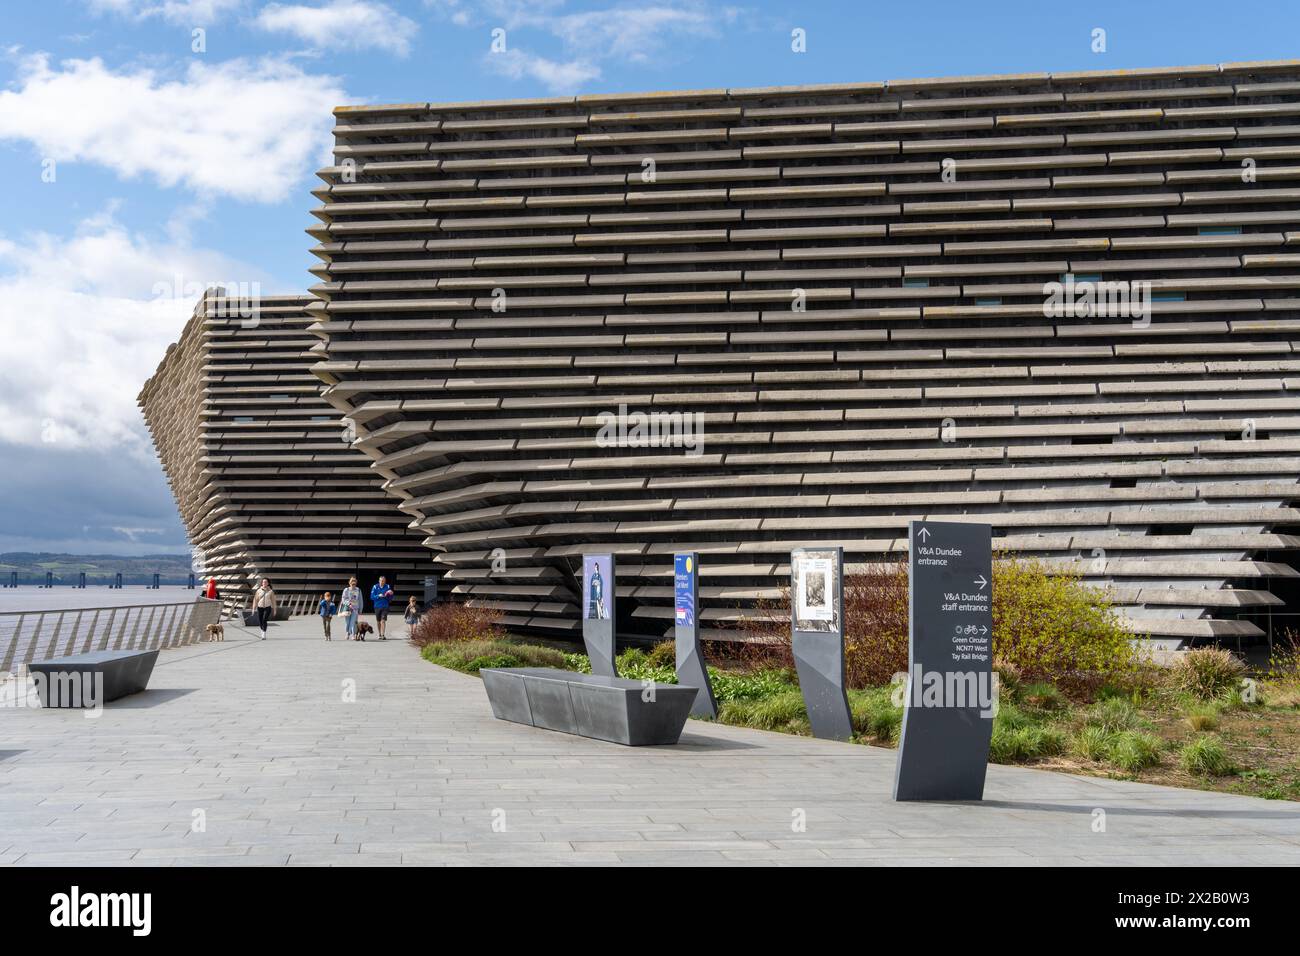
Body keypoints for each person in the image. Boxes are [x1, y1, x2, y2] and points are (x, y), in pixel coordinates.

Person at [370, 576, 395, 640]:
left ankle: (383, 635)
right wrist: (378, 595)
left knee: (383, 621)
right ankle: (379, 634)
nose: (382, 582)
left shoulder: (388, 586)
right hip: (377, 606)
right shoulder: (375, 587)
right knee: (378, 621)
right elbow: (372, 597)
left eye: (383, 581)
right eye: (381, 581)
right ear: (379, 581)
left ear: (385, 581)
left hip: (385, 606)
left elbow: (390, 597)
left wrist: (391, 594)